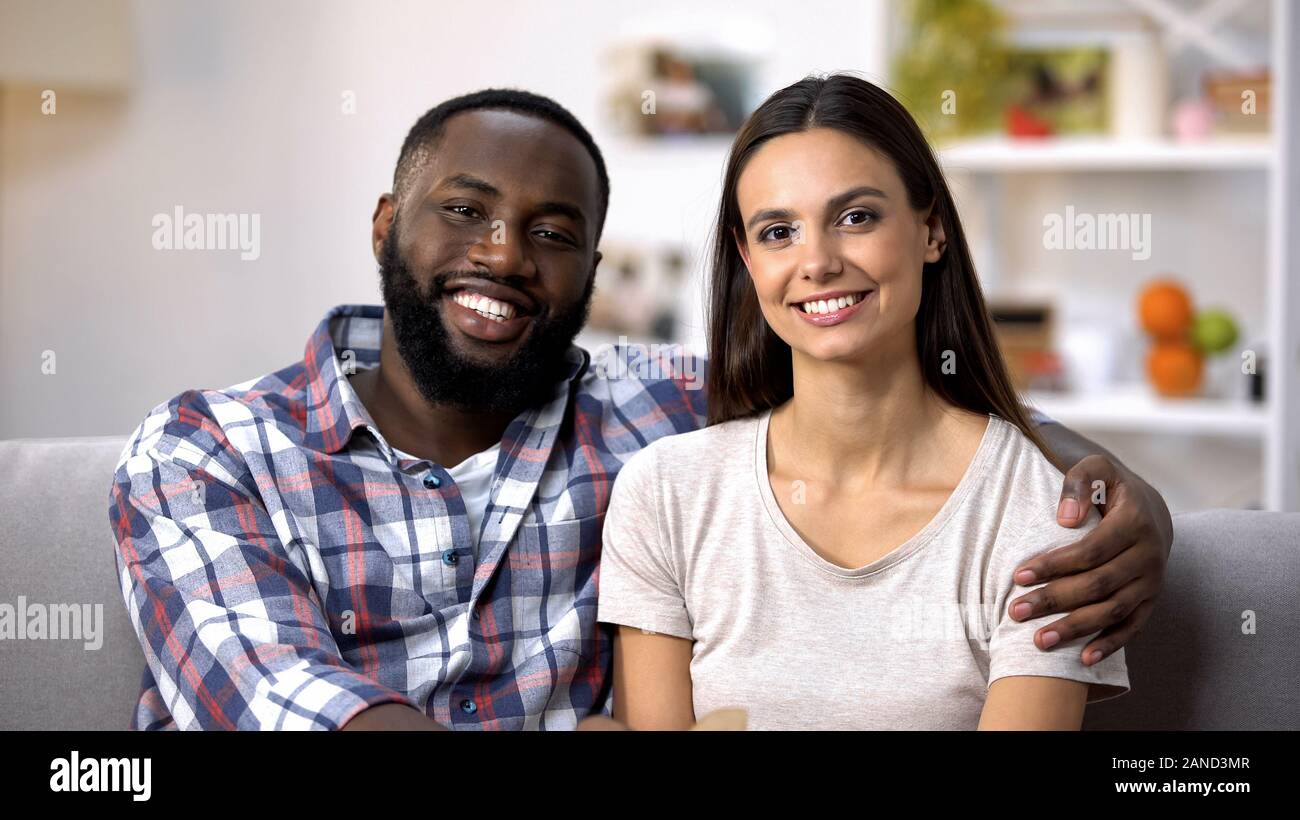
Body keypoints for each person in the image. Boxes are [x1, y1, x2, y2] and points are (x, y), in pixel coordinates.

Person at [109, 87, 1170, 731]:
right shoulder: (209, 449)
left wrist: (1123, 494)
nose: (502, 254)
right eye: (464, 210)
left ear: (591, 269)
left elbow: (866, 377)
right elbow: (290, 705)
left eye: (552, 231)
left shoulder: (641, 409)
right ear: (387, 224)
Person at [597, 74, 1140, 730]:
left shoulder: (1036, 509)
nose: (818, 261)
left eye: (855, 217)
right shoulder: (665, 494)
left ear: (931, 230)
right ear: (747, 257)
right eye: (778, 232)